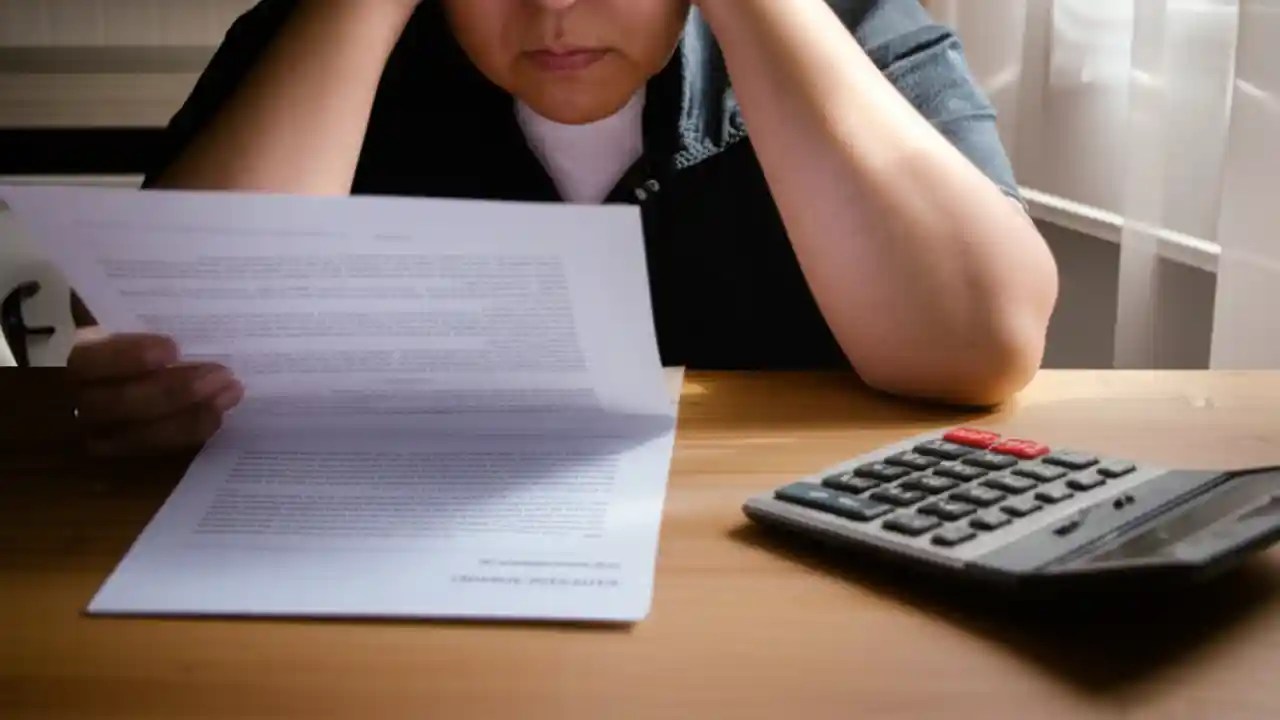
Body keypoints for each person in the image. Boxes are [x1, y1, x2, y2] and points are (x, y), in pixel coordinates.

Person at [67, 0, 1060, 456]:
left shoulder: (849, 26)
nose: (551, 10)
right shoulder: (320, 38)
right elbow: (163, 330)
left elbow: (979, 344)